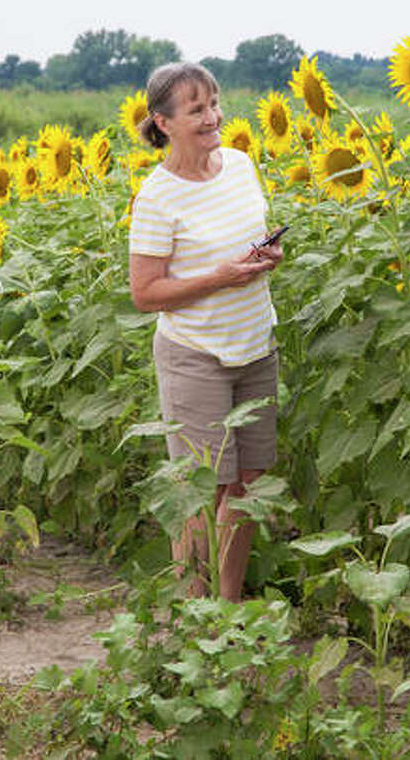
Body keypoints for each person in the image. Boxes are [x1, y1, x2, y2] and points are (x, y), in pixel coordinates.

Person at [128, 62, 284, 602]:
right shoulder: (156, 196)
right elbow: (146, 293)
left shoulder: (240, 166)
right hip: (196, 356)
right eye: (196, 109)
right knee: (202, 490)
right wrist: (220, 278)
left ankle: (229, 605)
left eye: (214, 103)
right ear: (163, 123)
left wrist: (266, 256)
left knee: (246, 487)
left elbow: (248, 236)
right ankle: (195, 620)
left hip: (256, 347)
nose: (213, 116)